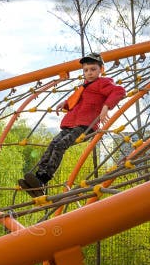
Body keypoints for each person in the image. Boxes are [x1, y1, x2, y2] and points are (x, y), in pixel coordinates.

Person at [19, 52, 125, 197]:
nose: (89, 73)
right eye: (86, 70)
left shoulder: (103, 83)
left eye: (93, 69)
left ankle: (44, 179)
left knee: (60, 145)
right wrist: (66, 103)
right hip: (71, 124)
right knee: (53, 143)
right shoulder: (83, 87)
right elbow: (76, 99)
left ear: (101, 69)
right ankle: (38, 179)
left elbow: (119, 90)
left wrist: (106, 106)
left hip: (85, 127)